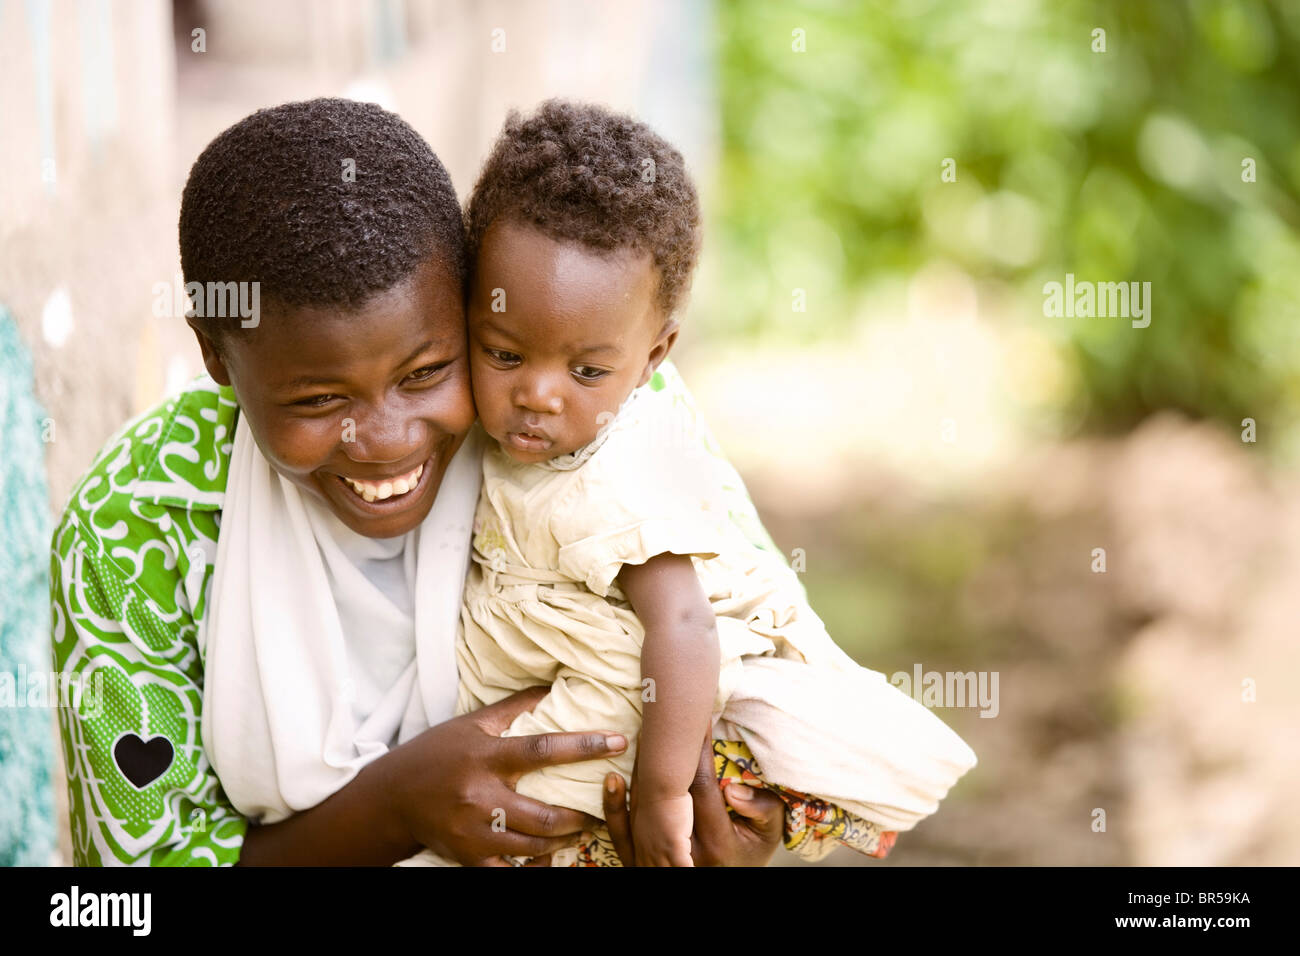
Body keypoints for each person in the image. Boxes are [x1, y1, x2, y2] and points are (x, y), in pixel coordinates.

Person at [49, 97, 785, 866]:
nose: (387, 440)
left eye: (427, 373)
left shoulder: (605, 419)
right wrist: (396, 808)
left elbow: (760, 651)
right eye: (319, 399)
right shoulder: (134, 524)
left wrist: (739, 829)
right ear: (216, 358)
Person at [455, 100, 978, 866]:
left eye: (587, 370)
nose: (539, 394)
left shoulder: (625, 471)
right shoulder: (475, 434)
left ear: (654, 356)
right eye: (504, 354)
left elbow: (686, 626)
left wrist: (666, 791)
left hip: (641, 710)